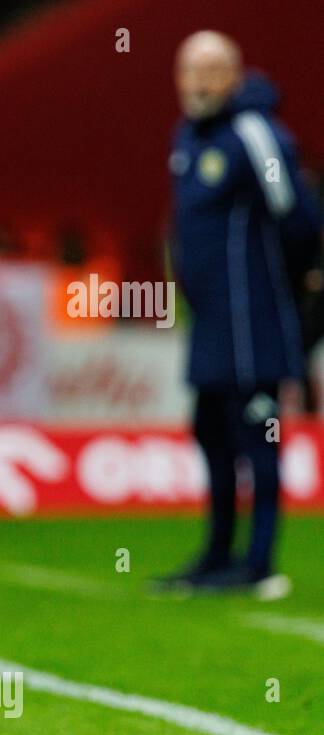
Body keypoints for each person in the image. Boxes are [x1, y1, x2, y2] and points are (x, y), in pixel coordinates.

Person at [159, 31, 321, 598]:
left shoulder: (255, 133)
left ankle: (258, 565)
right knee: (209, 431)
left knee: (258, 438)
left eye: (211, 70)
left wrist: (287, 285)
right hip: (211, 325)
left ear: (234, 75)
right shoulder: (188, 137)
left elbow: (298, 215)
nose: (198, 82)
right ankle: (217, 556)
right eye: (188, 70)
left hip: (253, 324)